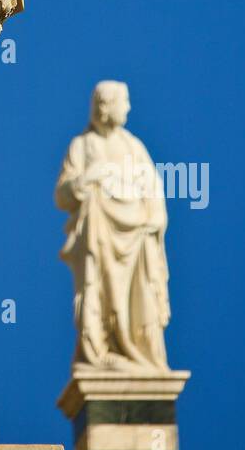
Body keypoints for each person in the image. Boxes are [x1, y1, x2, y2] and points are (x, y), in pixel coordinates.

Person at [55, 81, 171, 370]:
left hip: (136, 242)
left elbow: (154, 193)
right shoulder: (82, 147)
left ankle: (139, 354)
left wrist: (152, 219)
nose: (129, 107)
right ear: (106, 106)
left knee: (139, 298)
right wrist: (87, 179)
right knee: (99, 292)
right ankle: (102, 349)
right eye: (125, 101)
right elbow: (63, 195)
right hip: (100, 239)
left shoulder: (134, 147)